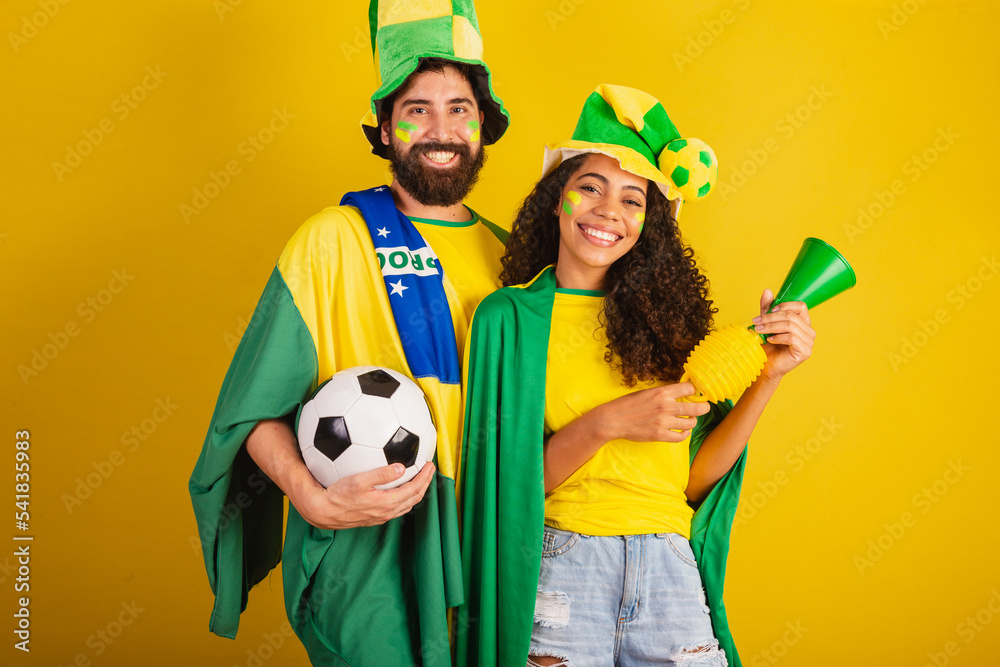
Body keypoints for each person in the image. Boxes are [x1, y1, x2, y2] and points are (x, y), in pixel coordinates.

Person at [188, 2, 511, 664]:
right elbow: (252, 408)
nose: (441, 129)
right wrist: (311, 497)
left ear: (482, 124)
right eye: (417, 109)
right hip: (367, 557)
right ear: (386, 127)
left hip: (490, 545)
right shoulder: (329, 242)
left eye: (459, 108)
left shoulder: (513, 259)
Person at [456, 84, 816, 667]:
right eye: (590, 187)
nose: (608, 211)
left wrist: (768, 376)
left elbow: (693, 484)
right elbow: (504, 488)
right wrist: (608, 423)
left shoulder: (672, 329)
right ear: (557, 198)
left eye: (632, 199)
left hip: (670, 573)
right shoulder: (510, 318)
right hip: (565, 567)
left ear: (648, 223)